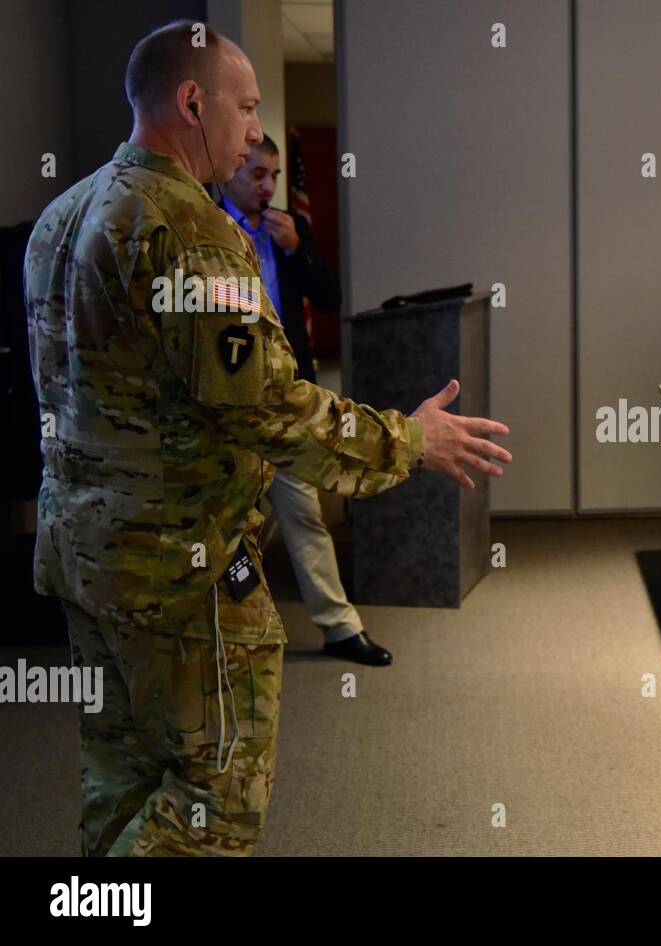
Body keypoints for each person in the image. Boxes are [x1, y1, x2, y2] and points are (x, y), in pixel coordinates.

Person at [24, 21, 511, 856]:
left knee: (123, 776)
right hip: (185, 573)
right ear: (190, 102)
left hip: (86, 555)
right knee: (214, 799)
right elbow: (269, 411)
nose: (256, 129)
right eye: (245, 108)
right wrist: (409, 441)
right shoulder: (189, 233)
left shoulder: (63, 217)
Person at [220, 135, 389, 665]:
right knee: (224, 527)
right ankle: (221, 636)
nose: (268, 185)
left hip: (285, 400)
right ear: (231, 171)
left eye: (273, 174)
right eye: (257, 174)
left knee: (306, 514)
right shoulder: (201, 226)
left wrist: (298, 249)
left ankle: (340, 629)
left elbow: (330, 297)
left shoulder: (291, 228)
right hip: (223, 409)